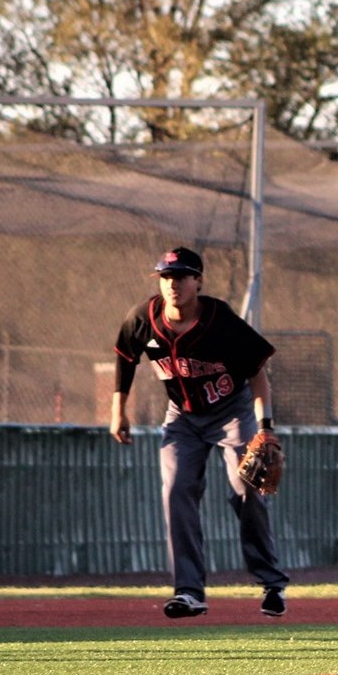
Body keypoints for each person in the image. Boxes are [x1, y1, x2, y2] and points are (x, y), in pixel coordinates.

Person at [108, 246, 290, 619]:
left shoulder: (219, 319)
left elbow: (257, 372)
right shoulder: (143, 317)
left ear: (198, 281)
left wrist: (265, 427)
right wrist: (118, 412)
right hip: (183, 419)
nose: (172, 284)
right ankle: (189, 591)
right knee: (176, 491)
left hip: (232, 412)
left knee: (249, 490)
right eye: (166, 276)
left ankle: (271, 582)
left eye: (181, 276)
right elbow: (125, 358)